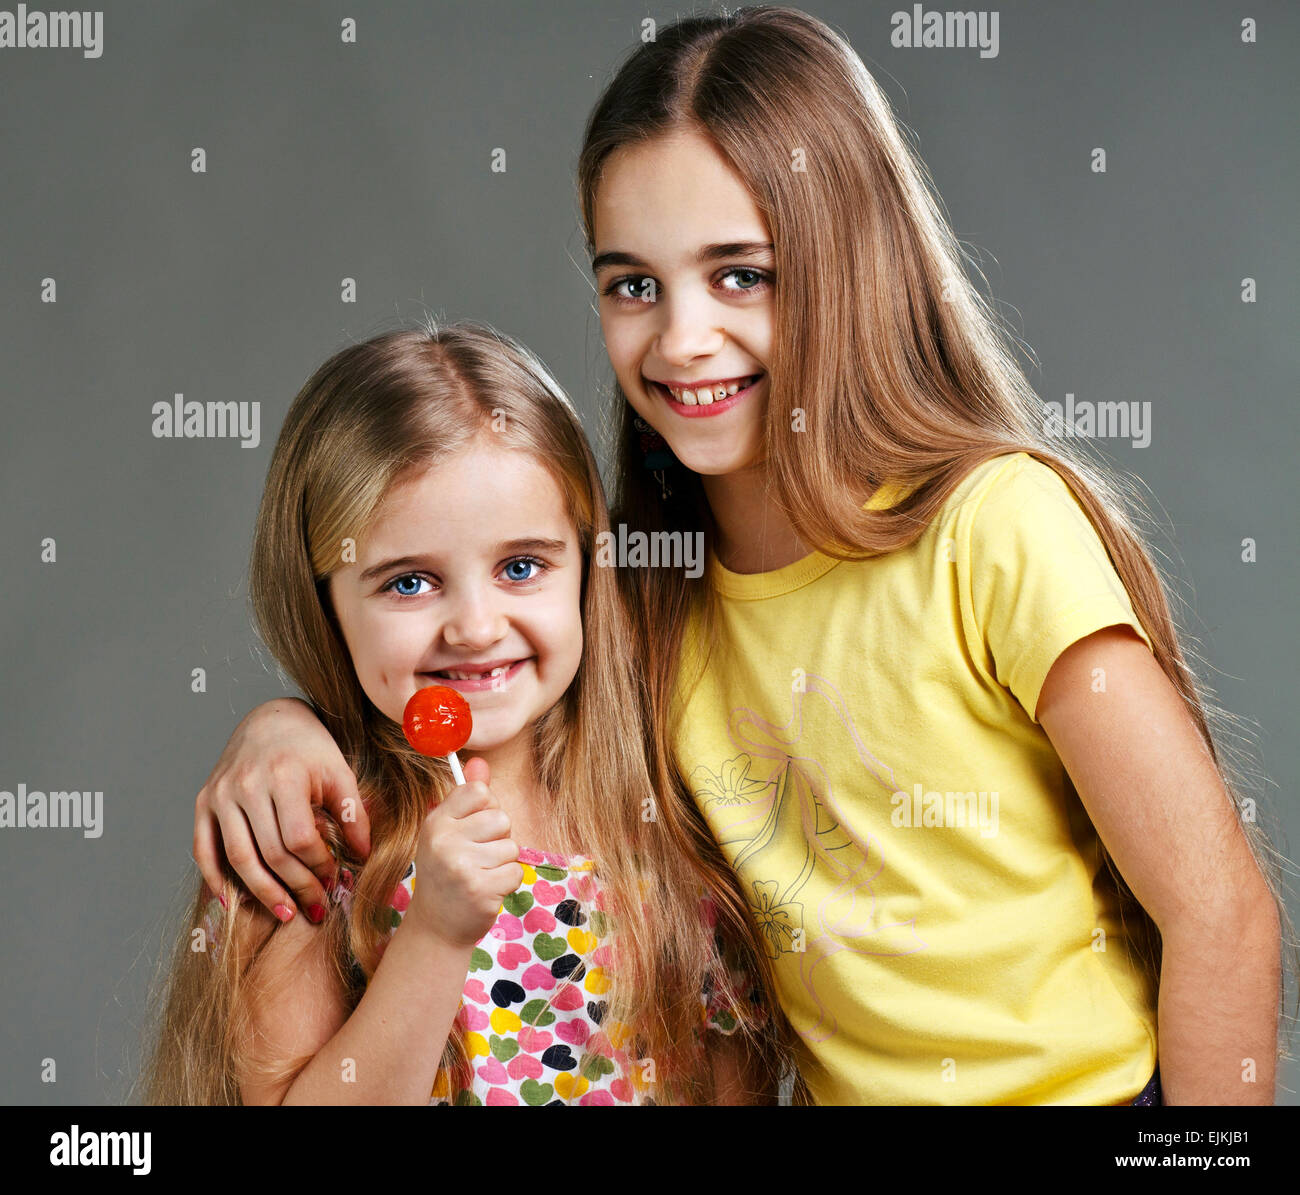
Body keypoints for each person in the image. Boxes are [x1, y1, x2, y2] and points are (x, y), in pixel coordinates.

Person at [185, 8, 1292, 1105]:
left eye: (741, 275)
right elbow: (456, 677)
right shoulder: (648, 595)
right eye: (632, 284)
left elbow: (1220, 913)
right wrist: (277, 731)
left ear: (850, 260)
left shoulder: (995, 529)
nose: (681, 340)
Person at [144, 321, 787, 1105]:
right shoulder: (313, 840)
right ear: (323, 604)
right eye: (408, 582)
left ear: (588, 568)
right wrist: (435, 934)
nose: (475, 628)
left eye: (521, 566)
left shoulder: (669, 810)